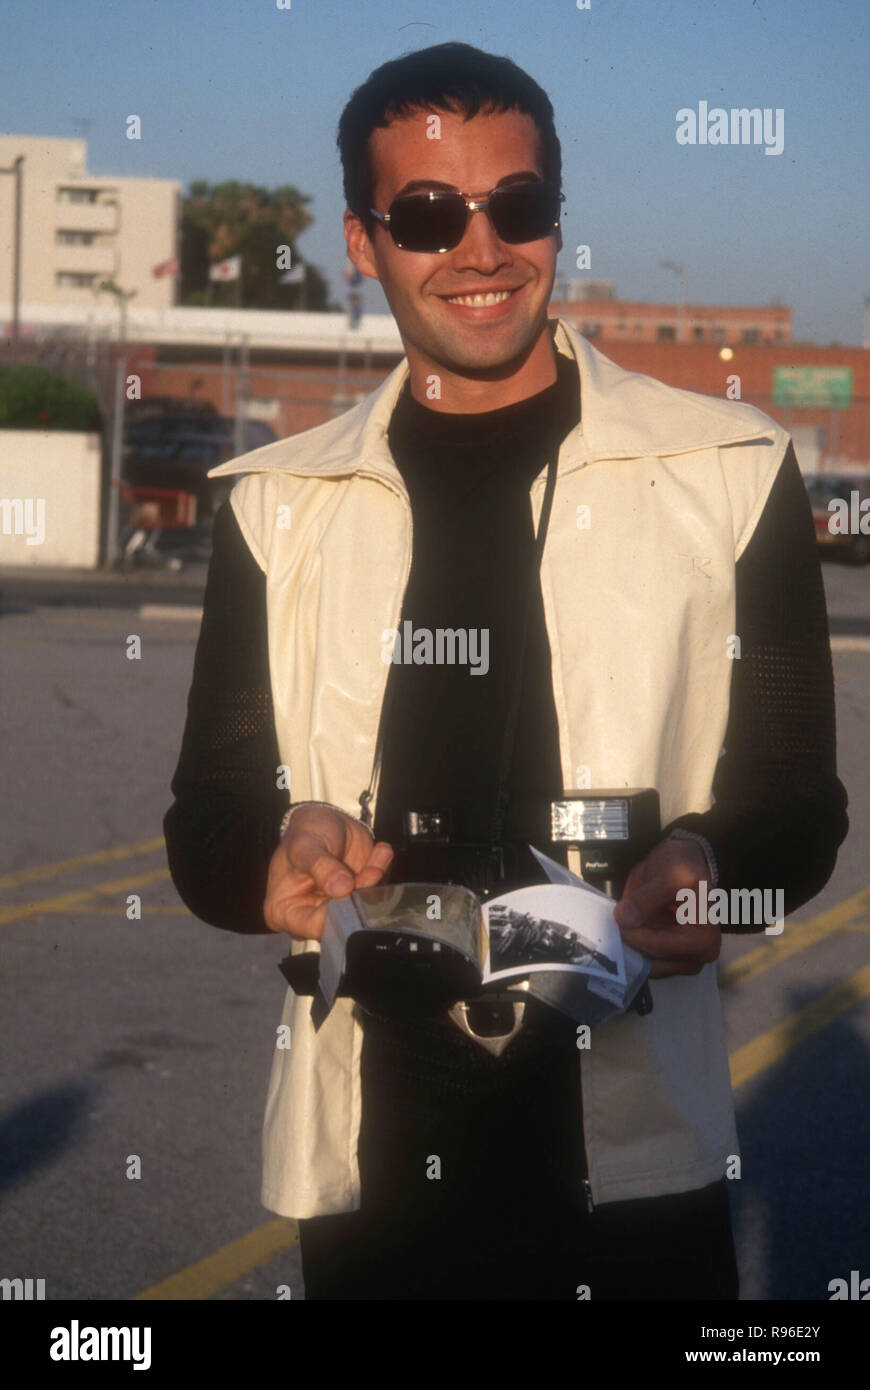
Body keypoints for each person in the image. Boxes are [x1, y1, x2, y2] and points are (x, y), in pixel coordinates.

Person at [164, 42, 848, 1300]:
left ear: (555, 220)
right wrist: (270, 849)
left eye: (516, 206)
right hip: (373, 1163)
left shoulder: (730, 470)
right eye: (427, 214)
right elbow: (206, 813)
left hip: (635, 1158)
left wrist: (717, 866)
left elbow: (799, 798)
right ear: (366, 244)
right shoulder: (276, 502)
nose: (480, 249)